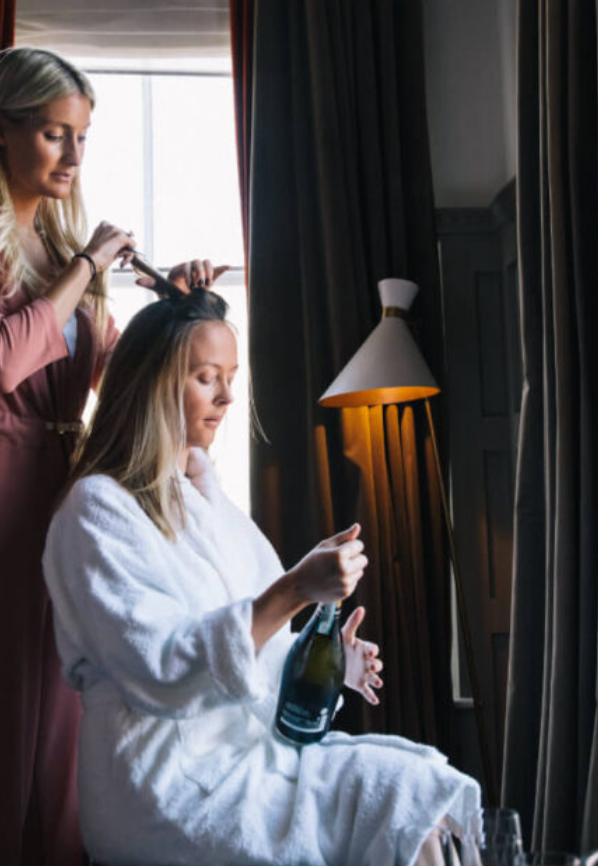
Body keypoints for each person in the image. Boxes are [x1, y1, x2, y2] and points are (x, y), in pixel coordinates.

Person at [0, 47, 222, 866]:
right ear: (1, 134)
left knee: (64, 740)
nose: (74, 159)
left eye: (80, 138)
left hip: (69, 498)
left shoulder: (60, 251)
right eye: (54, 135)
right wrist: (87, 267)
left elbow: (121, 385)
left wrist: (176, 313)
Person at [43, 289, 484, 866]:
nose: (227, 396)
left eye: (230, 376)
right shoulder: (98, 509)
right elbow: (158, 668)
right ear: (153, 383)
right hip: (162, 783)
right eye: (206, 377)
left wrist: (326, 665)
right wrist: (295, 588)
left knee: (417, 790)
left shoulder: (210, 505)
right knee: (398, 796)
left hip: (249, 756)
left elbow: (259, 658)